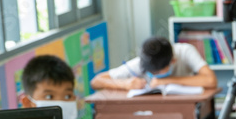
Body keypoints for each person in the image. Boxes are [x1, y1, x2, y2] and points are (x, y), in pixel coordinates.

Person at [90, 36, 218, 91]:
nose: (154, 74)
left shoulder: (185, 51)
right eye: (151, 71)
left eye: (158, 71)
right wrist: (124, 84)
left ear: (173, 61)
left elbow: (210, 80)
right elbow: (96, 82)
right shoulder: (140, 63)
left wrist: (169, 80)